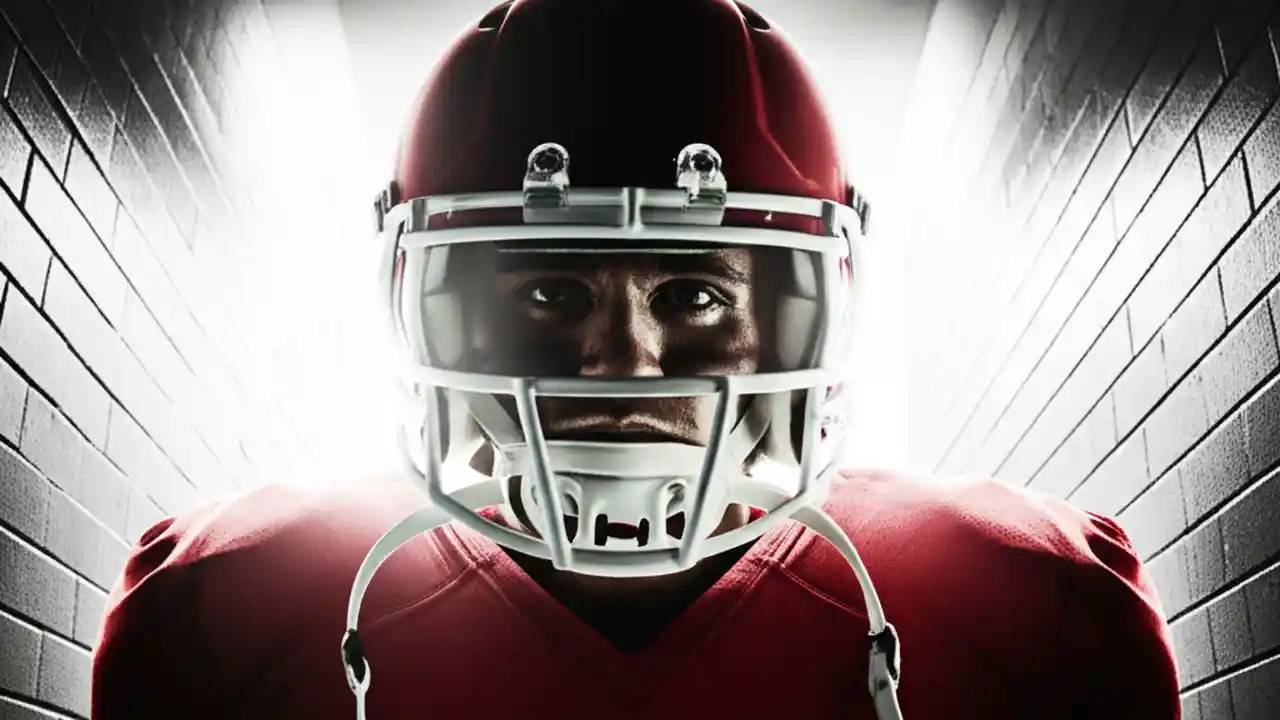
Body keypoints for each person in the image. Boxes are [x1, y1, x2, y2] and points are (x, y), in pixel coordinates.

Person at [91, 1, 1181, 718]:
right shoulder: (221, 622)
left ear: (812, 308)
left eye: (697, 292)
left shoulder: (1031, 619)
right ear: (426, 306)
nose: (625, 366)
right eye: (550, 290)